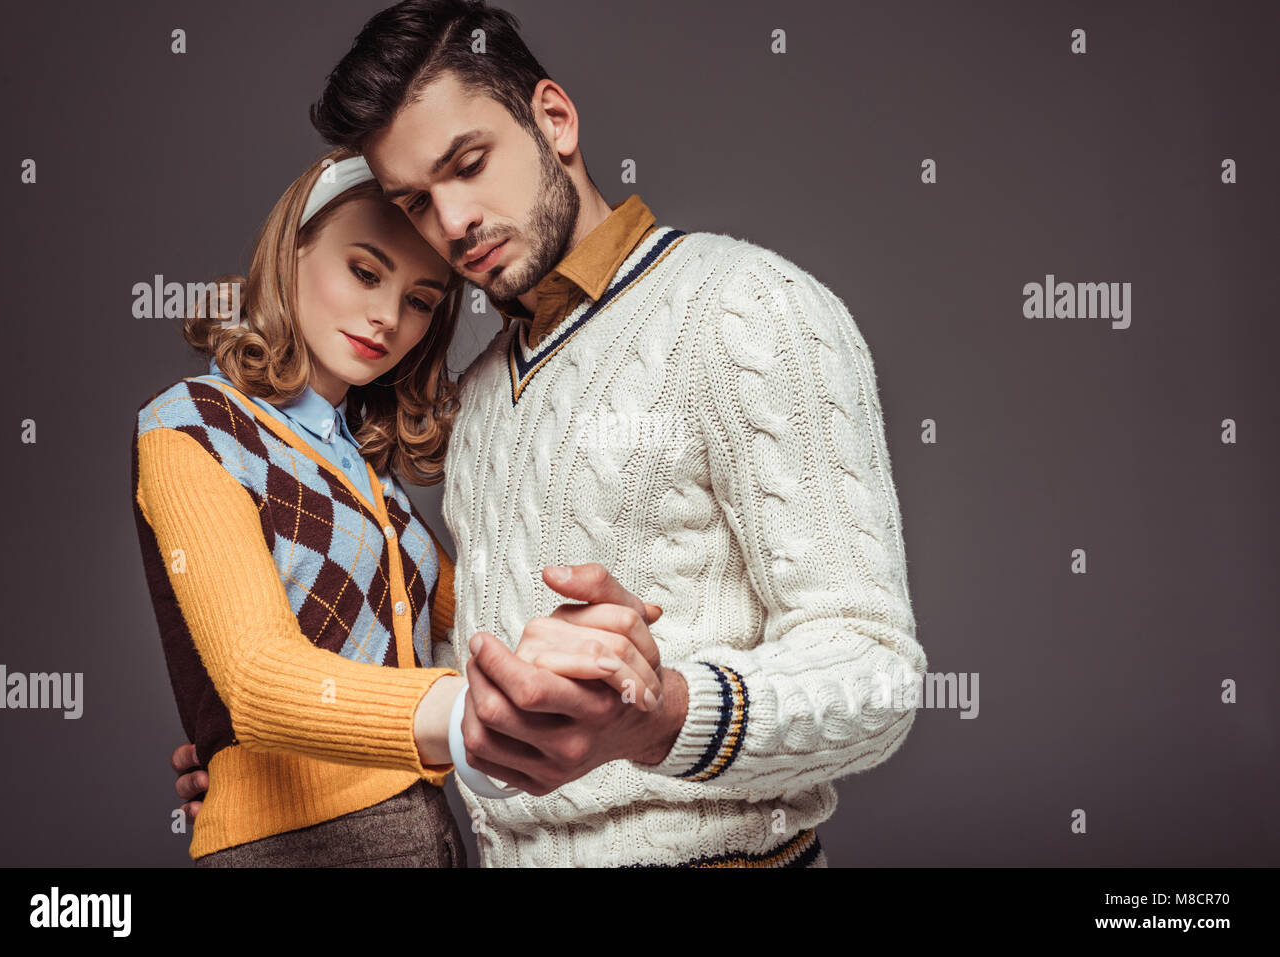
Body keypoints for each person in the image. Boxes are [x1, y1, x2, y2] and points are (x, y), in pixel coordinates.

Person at [178, 0, 929, 868]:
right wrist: (280, 769)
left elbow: (877, 674)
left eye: (469, 164)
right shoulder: (478, 399)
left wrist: (667, 715)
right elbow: (464, 675)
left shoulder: (749, 309)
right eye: (415, 202)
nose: (453, 222)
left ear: (555, 119)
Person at [134, 144, 665, 866]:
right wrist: (464, 714)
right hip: (297, 846)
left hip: (427, 830)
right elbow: (259, 680)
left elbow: (485, 628)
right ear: (291, 251)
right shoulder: (191, 425)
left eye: (419, 300)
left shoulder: (371, 478)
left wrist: (608, 638)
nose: (388, 319)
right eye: (364, 272)